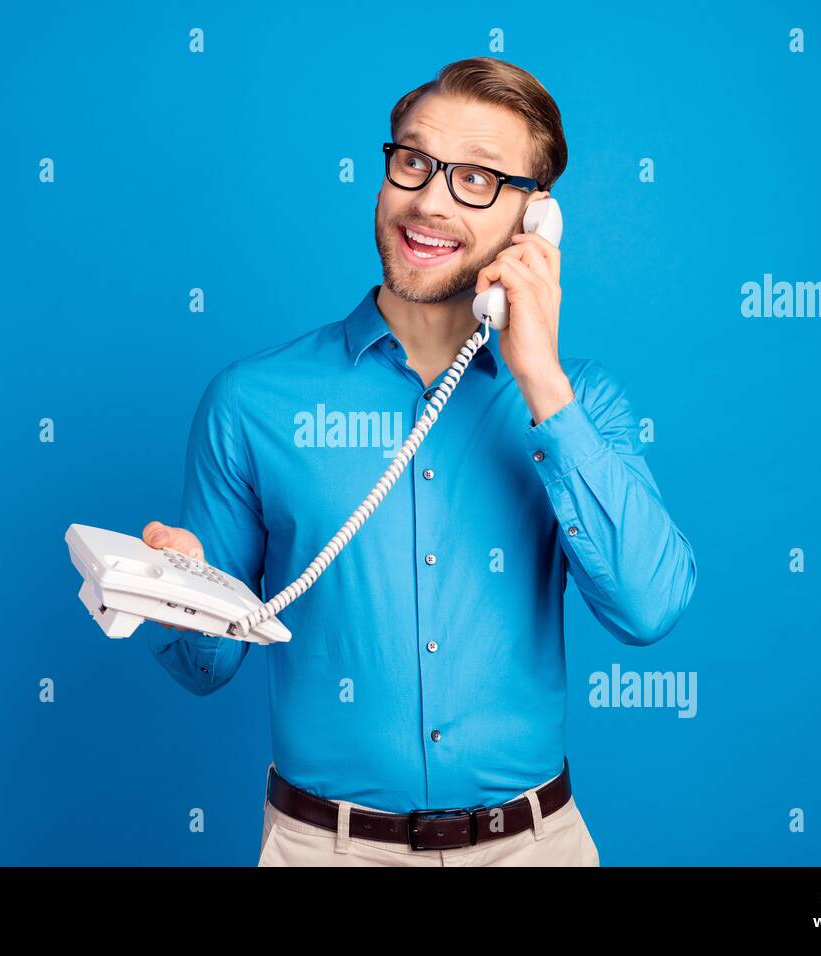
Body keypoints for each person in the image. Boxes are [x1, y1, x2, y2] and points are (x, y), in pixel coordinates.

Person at [142, 57, 697, 866]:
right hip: (322, 848)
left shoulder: (583, 402)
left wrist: (540, 378)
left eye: (476, 177)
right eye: (414, 161)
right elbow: (206, 667)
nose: (431, 200)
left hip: (532, 848)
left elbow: (650, 607)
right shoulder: (251, 402)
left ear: (536, 216)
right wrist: (175, 594)